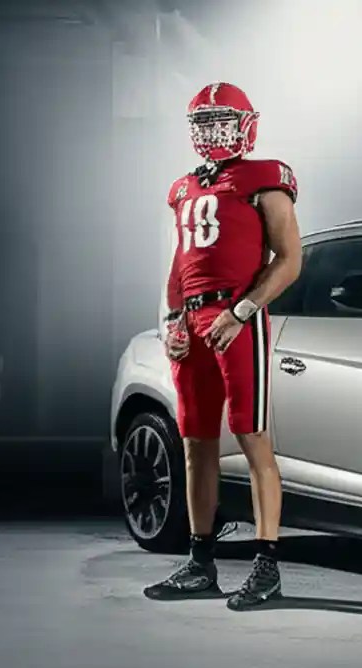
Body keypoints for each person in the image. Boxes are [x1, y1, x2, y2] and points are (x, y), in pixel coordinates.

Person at [143, 82, 302, 610]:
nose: (213, 133)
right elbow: (178, 265)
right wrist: (171, 319)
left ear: (246, 124)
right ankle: (201, 562)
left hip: (236, 316)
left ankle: (267, 565)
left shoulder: (264, 178)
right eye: (204, 123)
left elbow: (289, 259)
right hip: (191, 320)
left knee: (253, 437)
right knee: (196, 443)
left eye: (222, 121)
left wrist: (241, 313)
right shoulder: (183, 188)